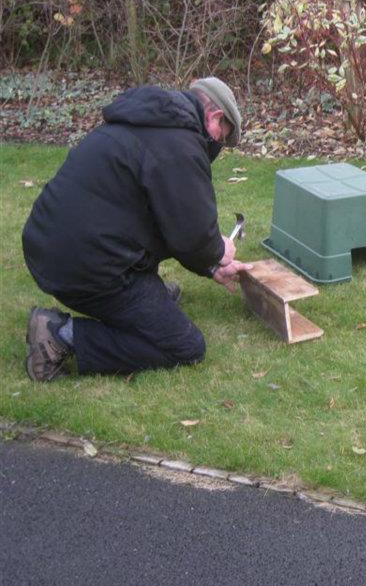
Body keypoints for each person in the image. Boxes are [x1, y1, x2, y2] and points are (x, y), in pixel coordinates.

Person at [22, 77, 250, 382]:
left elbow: (164, 222)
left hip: (47, 245)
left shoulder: (144, 122)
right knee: (186, 347)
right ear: (215, 117)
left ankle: (146, 298)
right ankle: (59, 334)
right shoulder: (180, 146)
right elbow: (192, 236)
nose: (218, 145)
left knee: (151, 287)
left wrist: (211, 267)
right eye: (222, 136)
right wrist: (219, 251)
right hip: (84, 267)